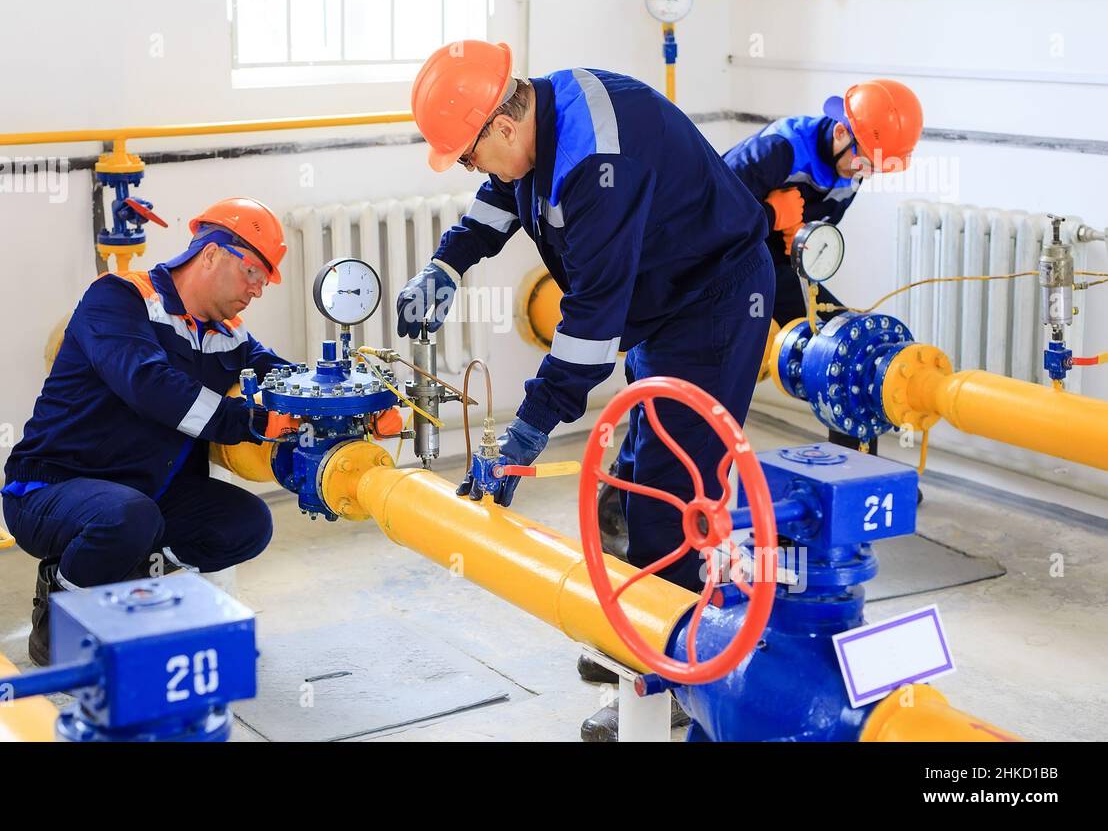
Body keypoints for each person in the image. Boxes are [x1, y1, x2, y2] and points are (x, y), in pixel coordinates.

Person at [396, 40, 775, 734]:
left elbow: (589, 331)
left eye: (472, 153)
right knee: (633, 479)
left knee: (673, 495)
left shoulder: (599, 164)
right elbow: (500, 195)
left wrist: (527, 433)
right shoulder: (536, 112)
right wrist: (447, 267)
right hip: (663, 300)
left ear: (502, 125)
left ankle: (670, 692)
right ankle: (631, 626)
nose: (474, 168)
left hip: (715, 301)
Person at [3, 197, 289, 664]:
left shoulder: (228, 332)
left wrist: (340, 394)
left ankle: (123, 579)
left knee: (246, 524)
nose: (257, 290)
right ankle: (60, 609)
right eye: (254, 273)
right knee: (127, 518)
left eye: (264, 281)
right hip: (50, 487)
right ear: (213, 253)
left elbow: (280, 374)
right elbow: (150, 384)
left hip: (147, 495)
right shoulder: (118, 298)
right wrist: (249, 423)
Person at [723, 79, 923, 326]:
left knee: (844, 332)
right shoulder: (778, 150)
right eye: (867, 162)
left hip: (780, 267)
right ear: (841, 132)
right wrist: (771, 214)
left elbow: (818, 235)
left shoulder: (853, 169)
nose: (868, 174)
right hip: (728, 267)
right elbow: (711, 220)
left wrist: (801, 237)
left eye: (877, 168)